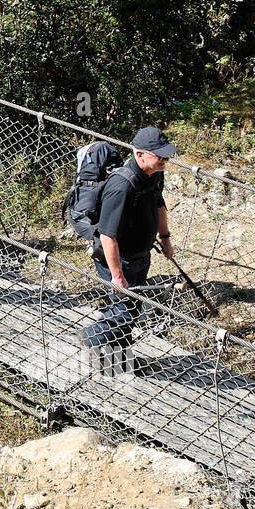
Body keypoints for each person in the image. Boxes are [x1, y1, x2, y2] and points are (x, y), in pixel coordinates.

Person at [82, 126, 176, 376]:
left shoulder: (155, 173)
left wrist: (165, 238)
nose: (165, 160)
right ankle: (93, 339)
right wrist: (117, 275)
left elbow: (158, 203)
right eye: (160, 155)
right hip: (118, 259)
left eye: (167, 155)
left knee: (130, 309)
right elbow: (107, 235)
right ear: (140, 154)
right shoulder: (121, 186)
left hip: (139, 256)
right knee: (124, 311)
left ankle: (119, 359)